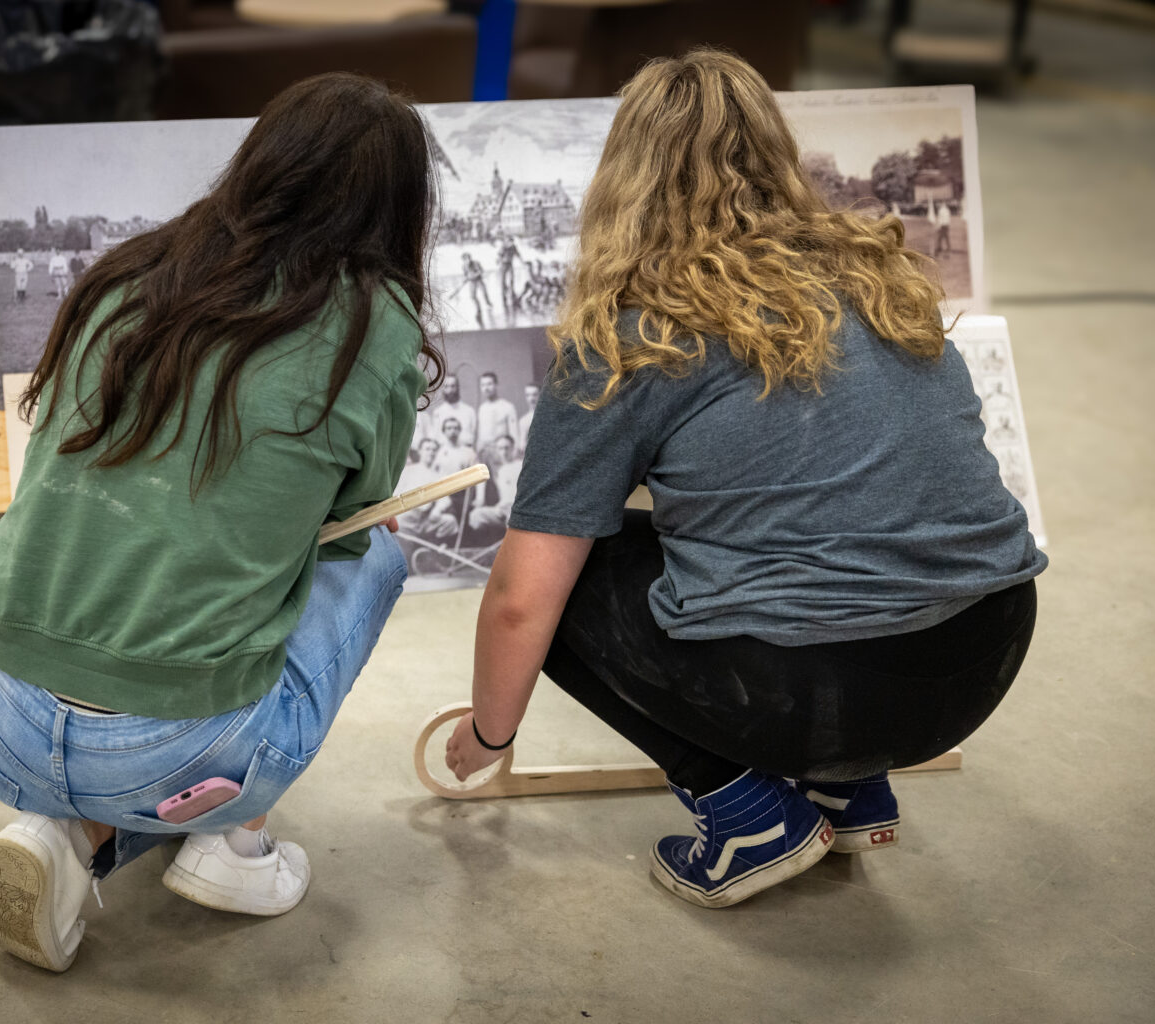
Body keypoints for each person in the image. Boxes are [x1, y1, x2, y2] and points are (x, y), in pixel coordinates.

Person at [443, 50, 1046, 910]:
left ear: (625, 175)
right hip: (988, 647)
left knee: (561, 587)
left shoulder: (636, 332)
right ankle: (849, 787)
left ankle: (748, 814)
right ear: (777, 154)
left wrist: (488, 734)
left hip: (828, 686)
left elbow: (518, 600)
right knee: (797, 541)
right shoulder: (882, 276)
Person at [0, 72, 440, 973]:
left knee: (141, 582)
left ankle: (67, 835)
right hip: (179, 748)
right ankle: (232, 843)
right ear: (397, 207)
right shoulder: (373, 320)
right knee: (368, 559)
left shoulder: (130, 269)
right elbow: (357, 505)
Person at [473, 372, 518, 463]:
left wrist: (514, 452)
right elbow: (480, 434)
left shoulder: (507, 406)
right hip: (484, 453)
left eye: (489, 384)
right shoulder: (482, 408)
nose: (486, 388)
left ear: (496, 385)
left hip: (501, 452)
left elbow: (514, 433)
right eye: (483, 385)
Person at [430, 373, 477, 452]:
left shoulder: (469, 411)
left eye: (453, 386)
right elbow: (435, 437)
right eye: (446, 386)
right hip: (445, 454)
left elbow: (474, 436)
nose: (450, 390)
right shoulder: (438, 412)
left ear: (458, 387)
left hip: (465, 453)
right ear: (443, 389)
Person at [459, 251, 492, 330]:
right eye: (465, 259)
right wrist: (465, 278)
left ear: (470, 258)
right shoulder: (463, 266)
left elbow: (480, 271)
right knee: (472, 296)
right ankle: (478, 308)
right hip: (472, 282)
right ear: (463, 260)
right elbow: (465, 275)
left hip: (479, 280)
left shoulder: (476, 263)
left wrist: (474, 275)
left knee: (484, 293)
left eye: (468, 258)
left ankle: (488, 303)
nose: (468, 260)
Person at [516, 382, 539, 454]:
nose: (531, 398)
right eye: (528, 395)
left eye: (535, 395)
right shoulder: (524, 420)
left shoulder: (550, 416)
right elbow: (522, 445)